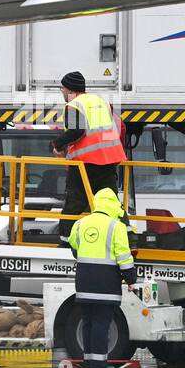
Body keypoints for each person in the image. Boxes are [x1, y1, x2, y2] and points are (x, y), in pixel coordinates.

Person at [66, 187, 137, 368]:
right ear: (114, 205)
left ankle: (88, 363)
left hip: (83, 283)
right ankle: (98, 366)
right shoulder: (117, 226)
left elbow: (73, 247)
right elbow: (124, 257)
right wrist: (131, 279)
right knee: (101, 323)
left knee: (88, 322)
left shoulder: (81, 223)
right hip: (106, 285)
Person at [51, 71, 126, 242]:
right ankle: (127, 234)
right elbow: (119, 127)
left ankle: (65, 241)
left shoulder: (74, 105)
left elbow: (77, 131)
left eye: (62, 88)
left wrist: (58, 144)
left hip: (86, 162)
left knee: (74, 202)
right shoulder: (102, 102)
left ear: (70, 90)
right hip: (109, 160)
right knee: (110, 201)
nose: (62, 92)